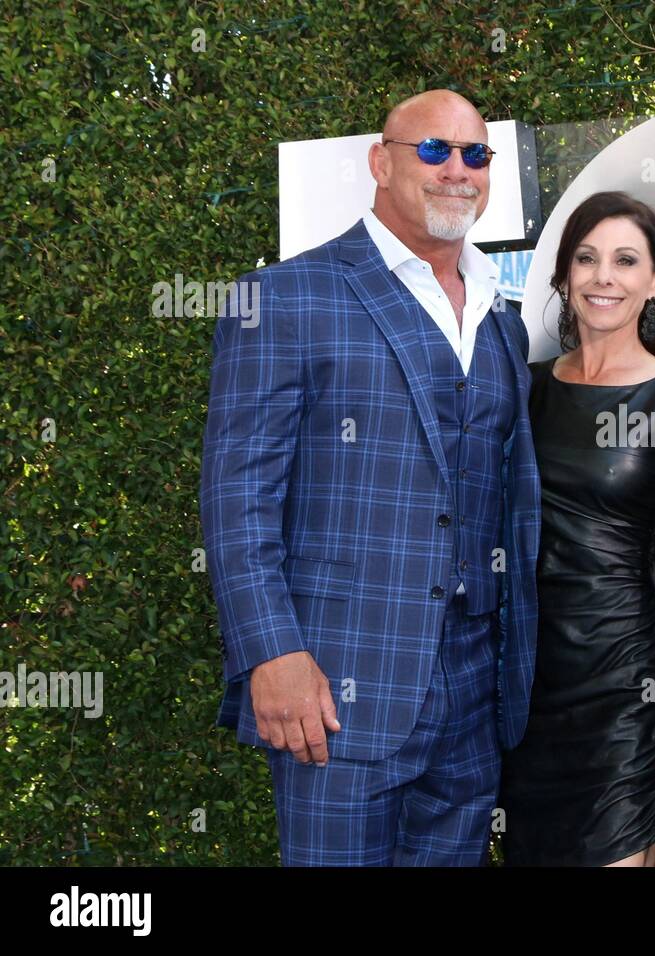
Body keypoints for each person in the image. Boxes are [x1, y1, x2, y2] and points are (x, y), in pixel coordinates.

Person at [201, 89, 541, 865]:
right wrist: (270, 653)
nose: (457, 170)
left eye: (475, 154)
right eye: (434, 150)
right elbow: (237, 494)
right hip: (334, 688)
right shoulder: (282, 298)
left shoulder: (502, 317)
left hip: (475, 696)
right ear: (381, 163)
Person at [498, 191, 655, 866]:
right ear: (562, 277)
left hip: (623, 688)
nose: (603, 277)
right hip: (521, 686)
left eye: (625, 260)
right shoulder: (521, 389)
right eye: (585, 259)